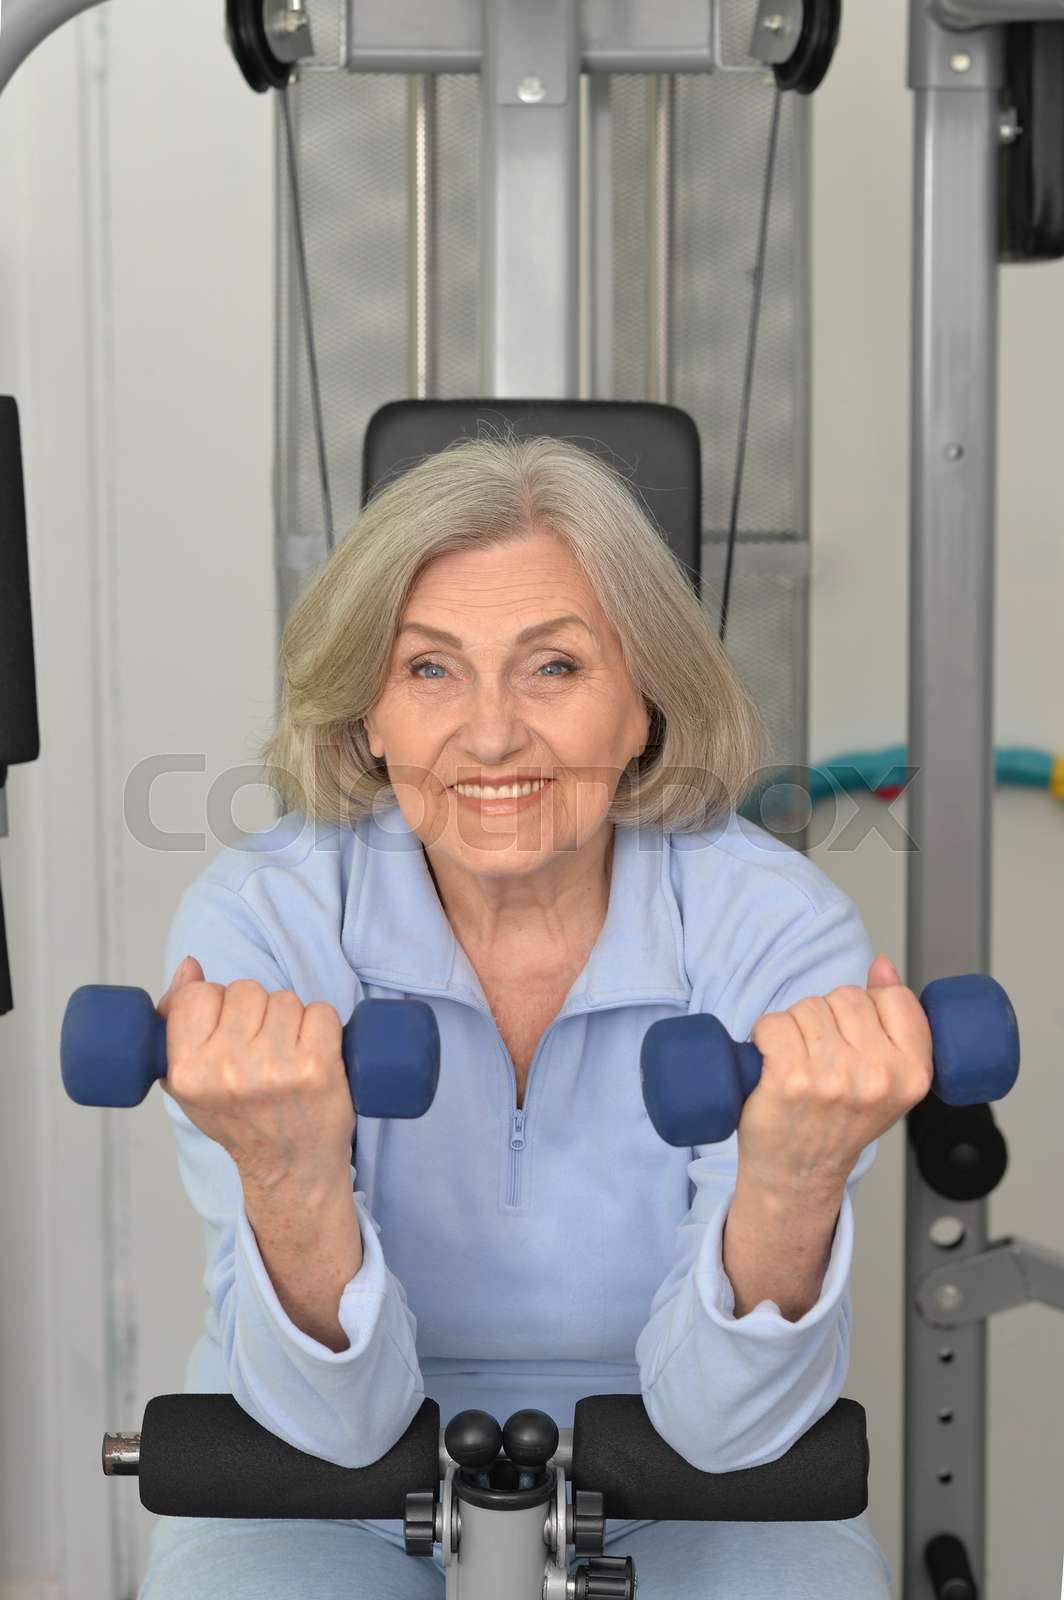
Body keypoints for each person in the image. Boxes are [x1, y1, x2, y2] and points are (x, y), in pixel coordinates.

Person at [139, 435, 926, 1598]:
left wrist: (794, 1178)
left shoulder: (776, 929)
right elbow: (333, 1423)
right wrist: (289, 1172)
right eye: (430, 671)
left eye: (552, 668)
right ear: (367, 718)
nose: (493, 733)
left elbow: (725, 1427)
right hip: (326, 1472)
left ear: (644, 705)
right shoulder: (262, 924)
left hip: (680, 1465)